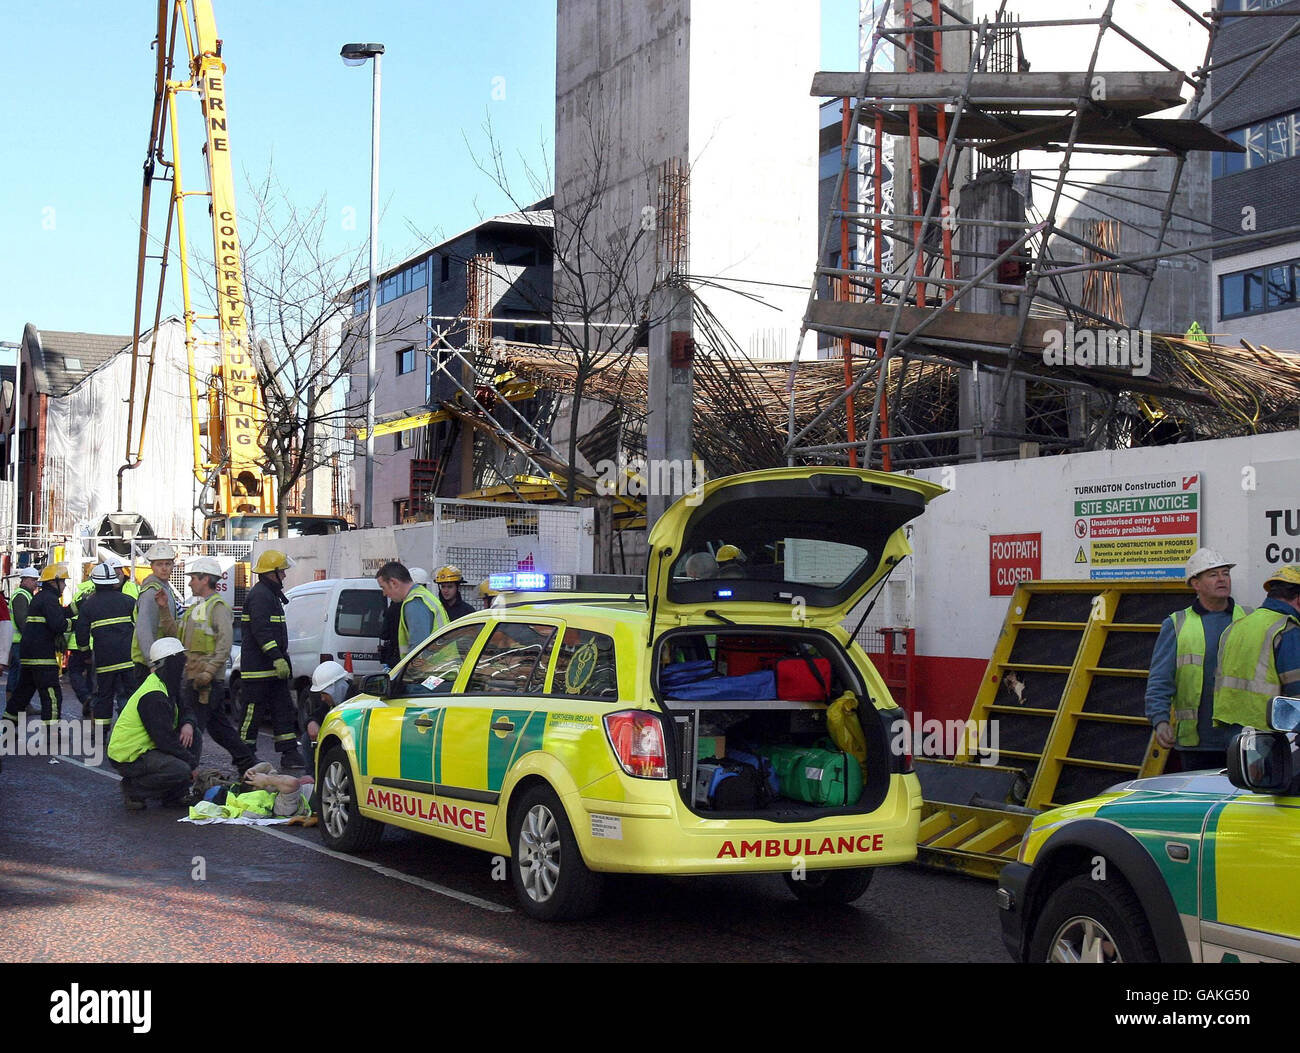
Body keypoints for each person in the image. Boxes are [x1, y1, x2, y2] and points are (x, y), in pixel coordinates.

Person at [1145, 548, 1248, 772]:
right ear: (1196, 584)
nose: (1222, 579)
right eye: (1213, 575)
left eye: (1225, 573)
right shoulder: (1177, 624)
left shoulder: (1249, 619)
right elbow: (1160, 679)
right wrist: (1160, 720)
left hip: (1245, 738)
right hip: (1197, 744)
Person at [179, 556, 257, 774]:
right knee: (219, 728)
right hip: (195, 677)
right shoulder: (197, 607)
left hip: (205, 681)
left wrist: (208, 673)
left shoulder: (218, 607)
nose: (190, 583)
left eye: (193, 578)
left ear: (205, 579)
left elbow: (224, 644)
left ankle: (185, 772)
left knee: (193, 726)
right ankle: (248, 762)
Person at [107, 638, 199, 810]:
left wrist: (188, 724)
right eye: (181, 661)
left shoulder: (167, 685)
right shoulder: (154, 695)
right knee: (180, 769)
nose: (185, 665)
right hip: (129, 755)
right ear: (170, 664)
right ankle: (134, 789)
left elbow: (186, 709)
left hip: (147, 748)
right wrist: (191, 766)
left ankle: (174, 795)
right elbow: (165, 740)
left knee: (194, 735)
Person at [1214, 565, 1300, 735]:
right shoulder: (1287, 630)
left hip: (1231, 732)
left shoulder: (1236, 626)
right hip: (1268, 734)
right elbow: (1297, 693)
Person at [240, 549, 305, 771]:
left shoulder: (270, 594)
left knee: (283, 710)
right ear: (272, 573)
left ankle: (290, 753)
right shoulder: (260, 596)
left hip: (273, 669)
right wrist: (277, 657)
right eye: (282, 572)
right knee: (252, 714)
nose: (284, 575)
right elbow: (261, 631)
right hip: (258, 670)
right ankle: (245, 755)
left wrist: (279, 660)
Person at [4, 563, 71, 729]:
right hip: (42, 657)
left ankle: (7, 729)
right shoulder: (48, 599)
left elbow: (59, 614)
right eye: (63, 581)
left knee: (21, 695)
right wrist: (75, 624)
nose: (65, 585)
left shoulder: (40, 598)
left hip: (29, 654)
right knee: (52, 696)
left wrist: (79, 605)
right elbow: (58, 624)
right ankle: (52, 734)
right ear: (54, 582)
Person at [73, 561, 138, 731]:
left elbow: (81, 634)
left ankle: (102, 733)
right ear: (114, 581)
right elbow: (140, 626)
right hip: (128, 659)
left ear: (95, 582)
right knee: (130, 696)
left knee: (104, 697)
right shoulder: (128, 601)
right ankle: (128, 731)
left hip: (104, 661)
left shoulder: (88, 605)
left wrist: (86, 654)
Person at [130, 543, 180, 689]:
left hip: (159, 659)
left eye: (167, 564)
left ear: (173, 566)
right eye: (159, 564)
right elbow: (144, 628)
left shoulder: (164, 588)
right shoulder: (152, 592)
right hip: (151, 663)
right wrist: (152, 663)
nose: (164, 568)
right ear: (152, 566)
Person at [376, 561, 448, 659]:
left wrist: (409, 668)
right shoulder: (422, 596)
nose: (384, 593)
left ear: (393, 583)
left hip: (433, 666)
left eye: (383, 588)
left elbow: (418, 651)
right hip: (442, 665)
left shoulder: (414, 603)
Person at [300, 660, 354, 770]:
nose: (322, 698)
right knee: (306, 738)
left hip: (349, 748)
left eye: (324, 693)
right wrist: (311, 722)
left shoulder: (356, 701)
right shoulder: (334, 701)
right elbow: (318, 713)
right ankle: (313, 776)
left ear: (335, 688)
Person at [7, 567, 38, 702]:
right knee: (20, 675)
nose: (35, 583)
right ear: (24, 580)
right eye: (33, 580)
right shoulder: (21, 596)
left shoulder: (26, 595)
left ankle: (17, 704)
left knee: (17, 673)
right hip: (20, 642)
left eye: (36, 580)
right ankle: (17, 705)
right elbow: (22, 621)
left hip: (19, 641)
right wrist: (31, 639)